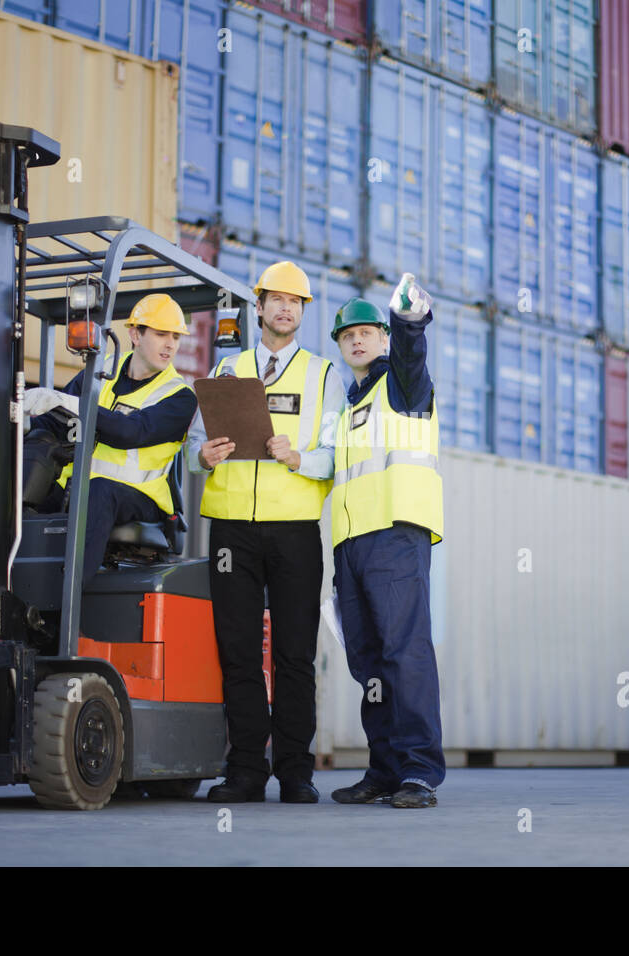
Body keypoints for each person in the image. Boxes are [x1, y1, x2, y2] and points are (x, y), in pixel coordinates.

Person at [185, 261, 344, 804]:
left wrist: (299, 457)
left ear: (302, 312)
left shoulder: (324, 376)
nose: (284, 308)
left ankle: (296, 771)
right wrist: (202, 456)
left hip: (295, 531)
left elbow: (334, 456)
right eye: (275, 299)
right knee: (239, 652)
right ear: (257, 308)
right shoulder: (227, 371)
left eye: (294, 302)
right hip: (233, 530)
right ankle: (246, 769)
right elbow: (191, 446)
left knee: (295, 655)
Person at [329, 275, 444, 809]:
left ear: (381, 338)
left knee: (406, 653)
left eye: (367, 332)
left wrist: (407, 322)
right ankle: (385, 768)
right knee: (369, 662)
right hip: (352, 545)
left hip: (397, 534)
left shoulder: (401, 383)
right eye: (347, 335)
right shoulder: (349, 408)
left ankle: (419, 771)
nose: (357, 341)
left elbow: (412, 356)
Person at [23, 293, 196, 587]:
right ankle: (10, 584)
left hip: (141, 499)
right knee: (23, 482)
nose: (170, 344)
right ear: (135, 335)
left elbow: (132, 431)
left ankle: (70, 601)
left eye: (176, 337)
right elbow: (53, 421)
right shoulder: (99, 374)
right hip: (78, 489)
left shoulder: (180, 397)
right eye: (161, 334)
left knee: (99, 491)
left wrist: (75, 405)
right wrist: (21, 425)